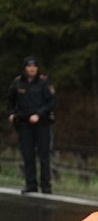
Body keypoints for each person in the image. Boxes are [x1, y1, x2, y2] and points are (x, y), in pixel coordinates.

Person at [7, 56, 57, 194]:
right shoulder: (18, 83)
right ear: (25, 68)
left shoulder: (43, 82)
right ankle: (31, 184)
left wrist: (39, 114)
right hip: (24, 124)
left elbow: (51, 102)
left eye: (34, 66)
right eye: (29, 66)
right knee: (28, 155)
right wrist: (12, 113)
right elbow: (10, 100)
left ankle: (46, 185)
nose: (32, 69)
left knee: (44, 155)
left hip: (42, 123)